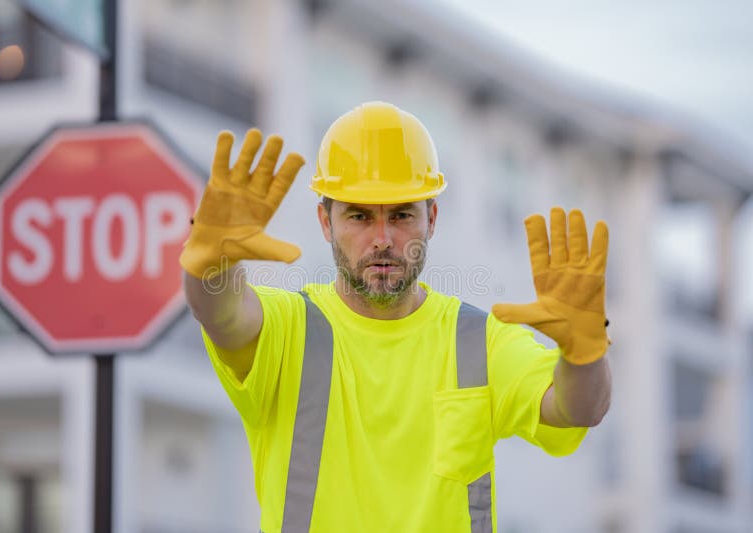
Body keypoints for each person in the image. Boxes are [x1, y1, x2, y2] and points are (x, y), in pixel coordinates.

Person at [180, 101, 612, 533]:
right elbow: (225, 315)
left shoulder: (478, 341)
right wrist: (209, 267)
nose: (383, 239)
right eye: (360, 216)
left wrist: (585, 352)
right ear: (325, 222)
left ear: (432, 219)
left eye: (402, 214)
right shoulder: (289, 327)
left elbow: (578, 407)